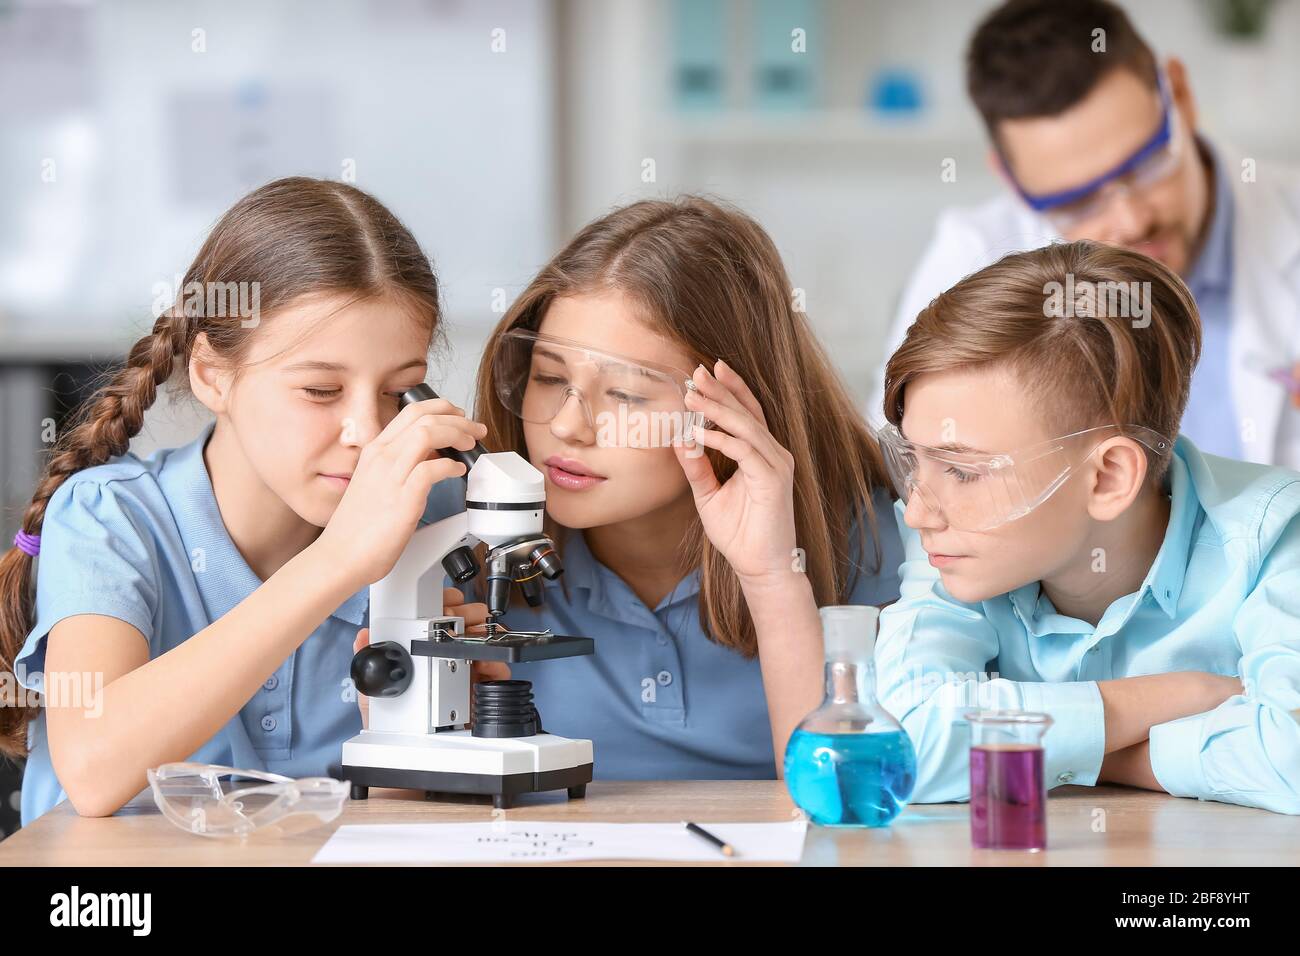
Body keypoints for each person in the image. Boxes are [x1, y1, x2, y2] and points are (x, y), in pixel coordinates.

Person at [0, 177, 497, 824]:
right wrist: (338, 564)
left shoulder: (424, 520)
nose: (368, 433)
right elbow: (94, 771)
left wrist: (410, 736)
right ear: (212, 374)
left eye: (396, 390)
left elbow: (396, 827)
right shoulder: (109, 518)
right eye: (321, 391)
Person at [875, 239, 1300, 815]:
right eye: (913, 462)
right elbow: (899, 745)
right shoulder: (956, 547)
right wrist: (1166, 700)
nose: (920, 512)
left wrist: (1081, 754)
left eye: (963, 471)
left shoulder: (1274, 536)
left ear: (1107, 479)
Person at [868, 0, 1300, 469]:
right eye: (1075, 201)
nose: (1132, 221)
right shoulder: (970, 255)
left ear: (1180, 95)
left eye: (1147, 165)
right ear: (1011, 181)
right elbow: (904, 475)